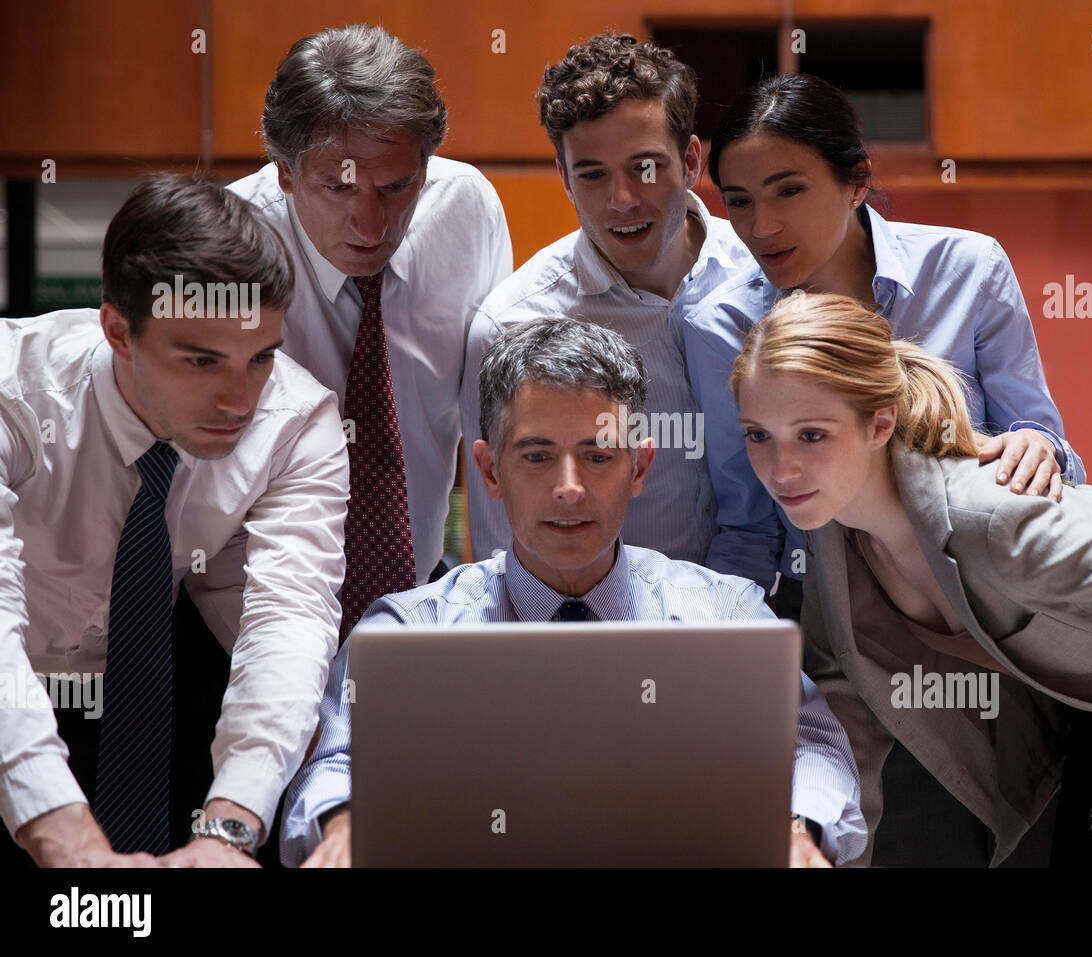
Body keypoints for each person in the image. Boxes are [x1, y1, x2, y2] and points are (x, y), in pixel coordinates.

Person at [731, 292, 1092, 867]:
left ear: (880, 424)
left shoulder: (996, 517)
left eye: (811, 435)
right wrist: (819, 838)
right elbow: (844, 692)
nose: (780, 470)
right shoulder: (832, 534)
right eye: (758, 435)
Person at [283, 318, 869, 867]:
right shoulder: (412, 630)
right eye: (537, 457)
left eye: (597, 456)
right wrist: (342, 827)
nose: (569, 488)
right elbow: (334, 760)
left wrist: (797, 830)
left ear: (639, 469)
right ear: (488, 471)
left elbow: (813, 744)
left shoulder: (727, 616)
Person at [0, 175, 350, 867]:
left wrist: (231, 827)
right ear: (119, 331)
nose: (239, 398)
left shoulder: (297, 421)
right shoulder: (16, 392)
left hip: (157, 691)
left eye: (260, 358)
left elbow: (289, 622)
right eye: (200, 360)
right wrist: (63, 833)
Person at [682, 73, 1085, 593]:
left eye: (789, 191)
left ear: (857, 181)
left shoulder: (968, 268)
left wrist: (1040, 446)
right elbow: (748, 526)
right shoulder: (720, 325)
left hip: (984, 588)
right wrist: (737, 642)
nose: (762, 227)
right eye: (738, 201)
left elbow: (1045, 447)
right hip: (828, 611)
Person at [229, 24, 513, 639]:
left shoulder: (467, 210)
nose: (371, 222)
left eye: (395, 187)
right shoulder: (228, 245)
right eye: (338, 187)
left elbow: (498, 419)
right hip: (252, 603)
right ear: (284, 172)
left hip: (421, 591)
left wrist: (502, 597)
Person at [459, 33, 775, 576]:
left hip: (780, 614)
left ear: (692, 159)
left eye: (645, 168)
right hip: (604, 632)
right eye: (593, 174)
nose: (622, 199)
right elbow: (503, 547)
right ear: (563, 177)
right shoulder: (512, 324)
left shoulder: (769, 275)